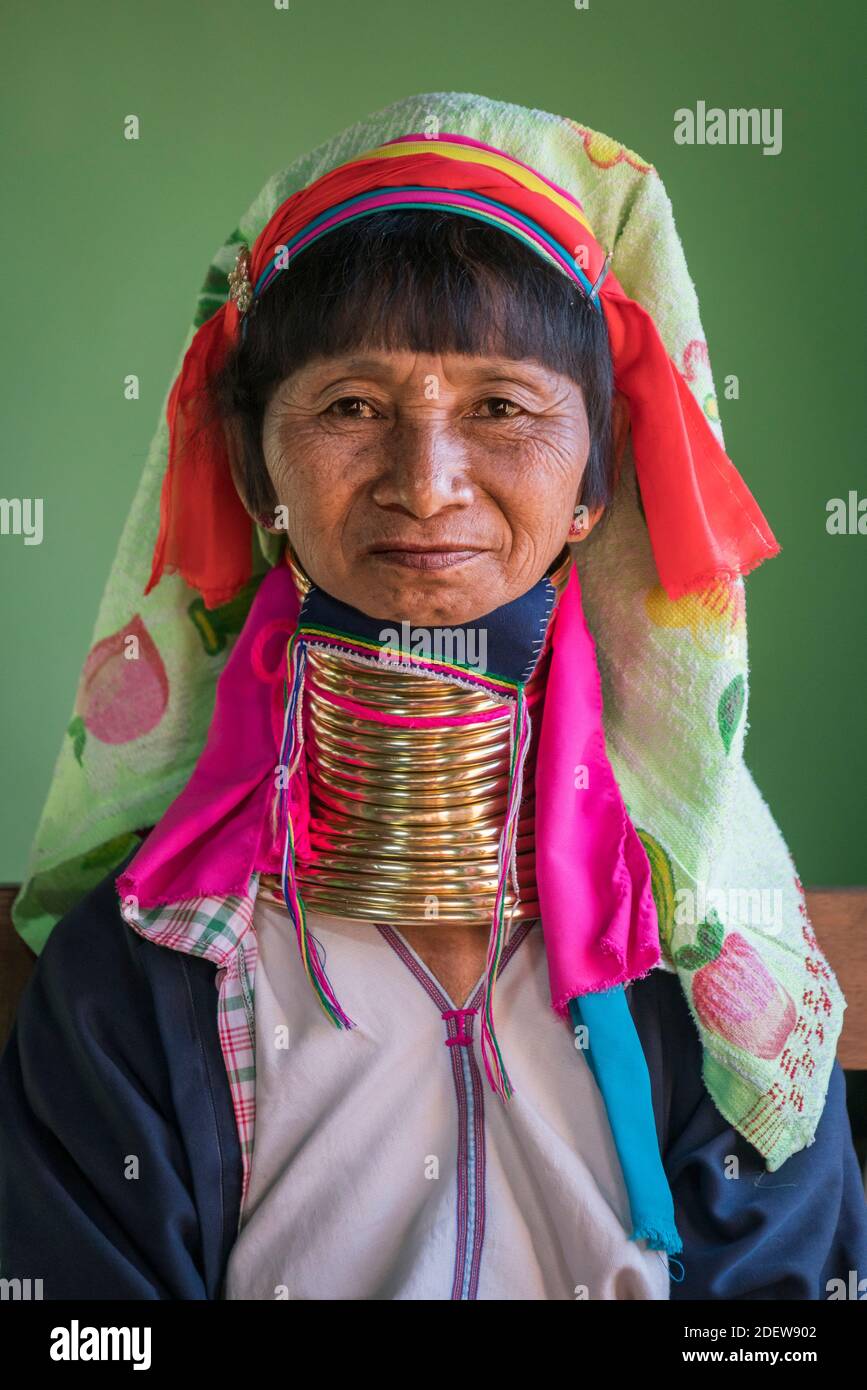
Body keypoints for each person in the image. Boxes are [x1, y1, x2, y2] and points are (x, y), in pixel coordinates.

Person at [1, 93, 865, 1301]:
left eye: (501, 407)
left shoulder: (722, 985)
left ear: (593, 483)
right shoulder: (144, 978)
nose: (427, 481)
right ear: (259, 472)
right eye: (352, 406)